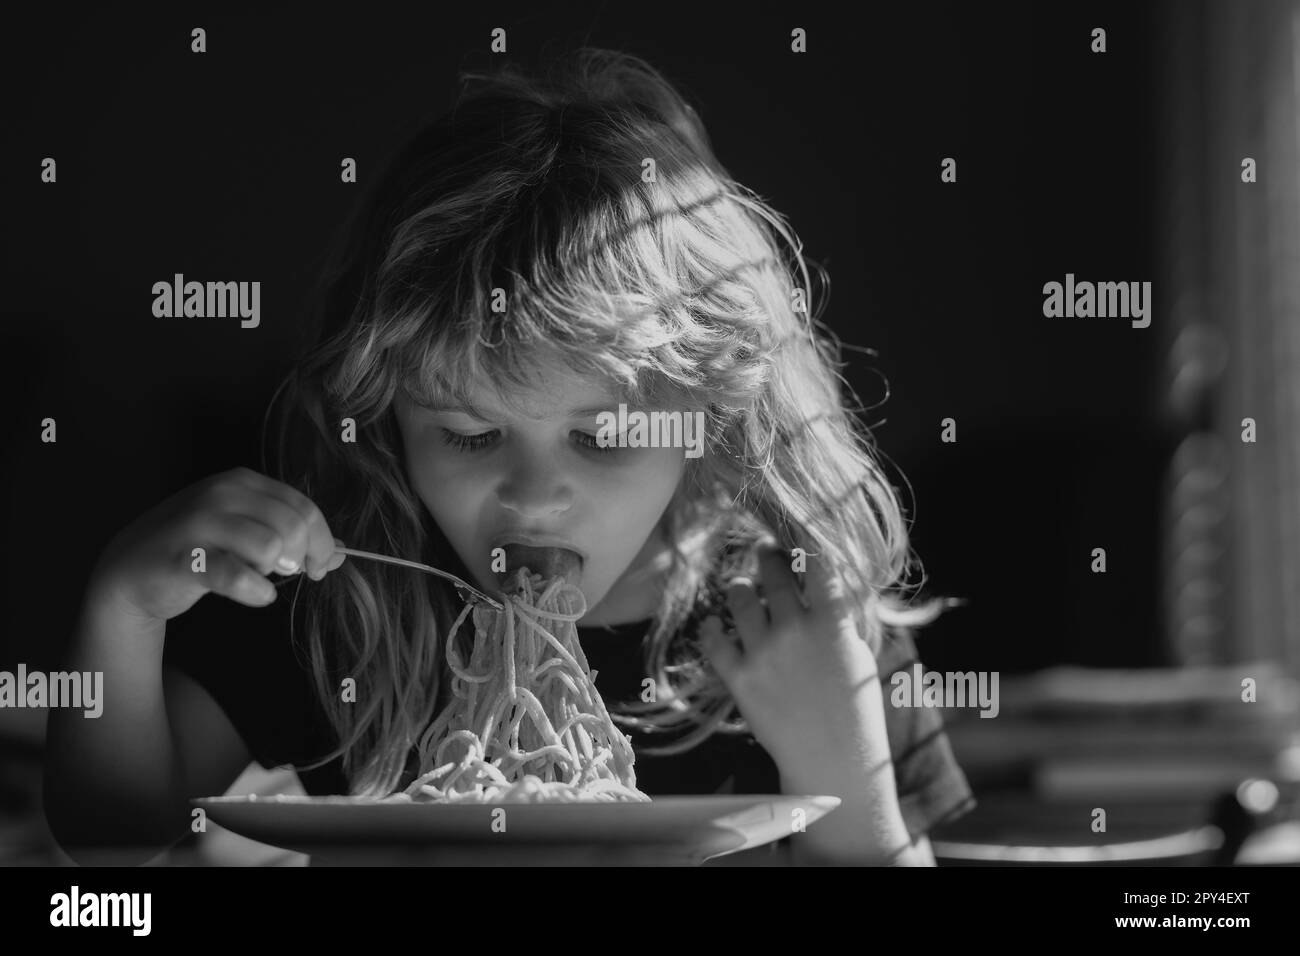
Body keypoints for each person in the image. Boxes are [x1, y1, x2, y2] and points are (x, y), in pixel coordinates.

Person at [44, 48, 974, 866]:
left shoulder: (805, 620)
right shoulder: (352, 597)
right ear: (386, 414)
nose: (532, 499)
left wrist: (842, 774)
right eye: (470, 435)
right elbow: (113, 834)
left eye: (605, 437)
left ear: (712, 416)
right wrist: (124, 606)